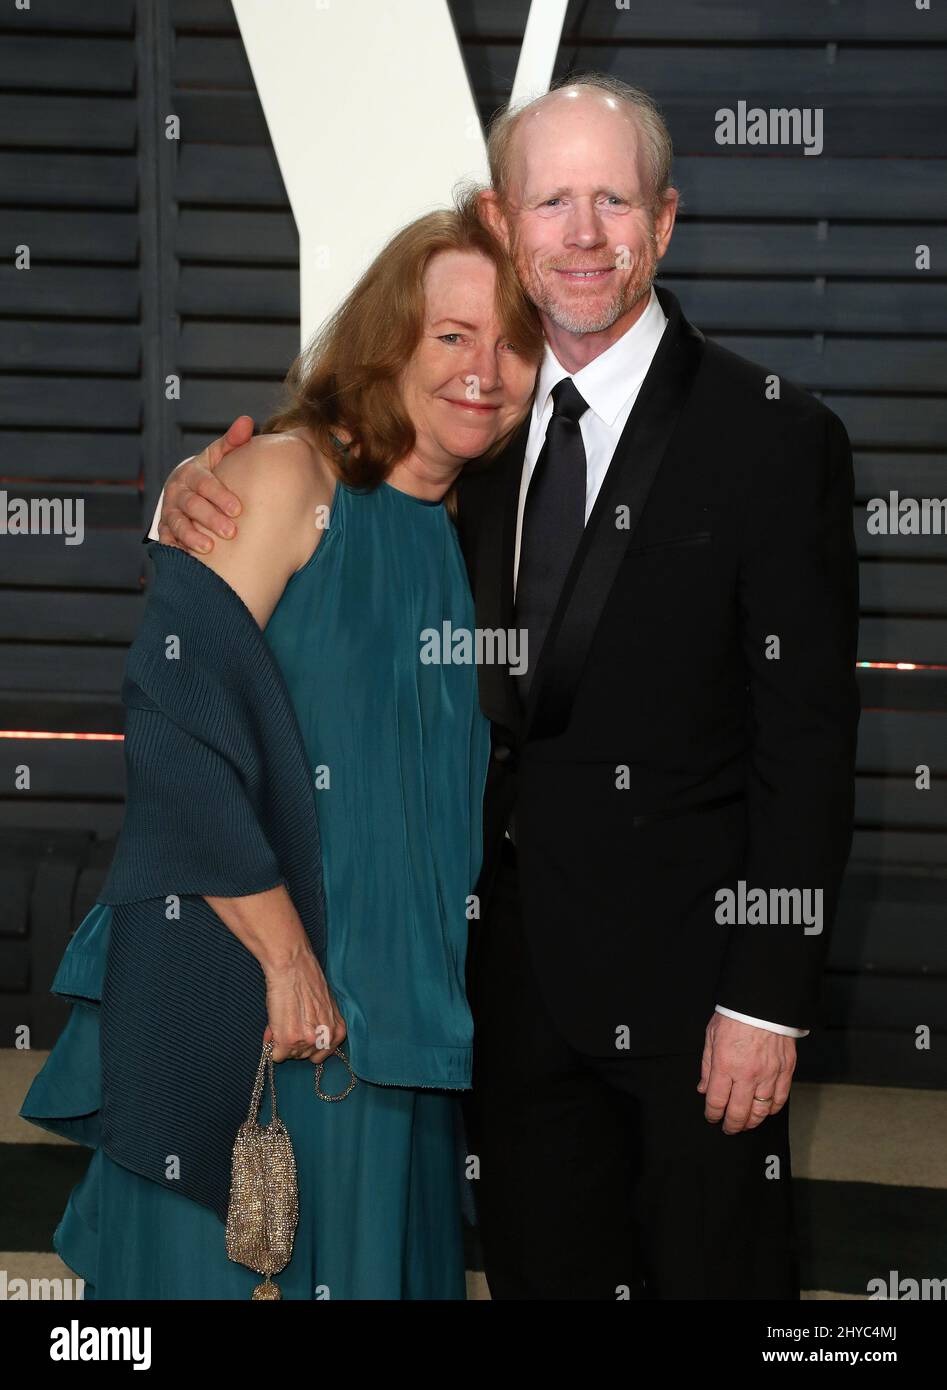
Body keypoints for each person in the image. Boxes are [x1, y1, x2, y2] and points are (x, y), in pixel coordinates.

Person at [150, 74, 860, 1300]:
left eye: (611, 201)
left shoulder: (774, 436)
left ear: (666, 219)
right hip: (491, 995)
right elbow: (311, 501)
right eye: (550, 202)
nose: (581, 235)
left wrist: (768, 998)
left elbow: (806, 739)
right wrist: (180, 505)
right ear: (503, 219)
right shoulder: (471, 436)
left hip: (699, 1005)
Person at [20, 194, 543, 1300]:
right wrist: (285, 958)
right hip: (261, 1000)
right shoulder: (286, 483)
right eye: (451, 336)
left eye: (513, 345)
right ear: (385, 340)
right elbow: (174, 732)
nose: (482, 371)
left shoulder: (466, 529)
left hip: (398, 1030)